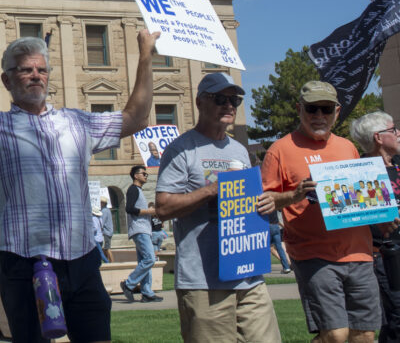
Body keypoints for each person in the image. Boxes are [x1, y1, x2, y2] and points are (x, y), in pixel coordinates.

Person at [0, 19, 160, 343]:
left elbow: (137, 117)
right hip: (24, 261)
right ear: (6, 79)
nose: (35, 75)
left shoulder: (77, 122)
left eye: (41, 70)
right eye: (25, 70)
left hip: (81, 259)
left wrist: (145, 55)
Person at [154, 72, 280, 342]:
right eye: (220, 98)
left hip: (249, 275)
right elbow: (163, 208)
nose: (229, 105)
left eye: (234, 99)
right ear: (200, 103)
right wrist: (212, 189)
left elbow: (245, 203)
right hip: (203, 281)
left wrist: (264, 203)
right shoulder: (181, 149)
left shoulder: (239, 151)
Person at [261, 81, 386, 343]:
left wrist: (382, 216)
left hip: (359, 252)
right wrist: (294, 195)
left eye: (326, 109)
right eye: (312, 109)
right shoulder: (280, 150)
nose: (319, 116)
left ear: (337, 112)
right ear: (299, 109)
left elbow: (361, 197)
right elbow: (263, 200)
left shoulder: (347, 147)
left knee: (364, 334)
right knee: (335, 335)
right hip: (314, 255)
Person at [351, 110, 400, 343]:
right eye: (393, 130)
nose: (398, 133)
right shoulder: (361, 172)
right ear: (379, 137)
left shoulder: (398, 163)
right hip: (386, 255)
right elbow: (363, 219)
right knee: (397, 315)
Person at [121, 165, 162, 303]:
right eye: (143, 173)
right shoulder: (133, 189)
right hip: (139, 230)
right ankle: (128, 284)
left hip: (143, 230)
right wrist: (149, 211)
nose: (145, 175)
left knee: (145, 261)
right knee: (150, 259)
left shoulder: (138, 190)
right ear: (135, 175)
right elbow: (129, 209)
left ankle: (147, 292)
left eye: (146, 174)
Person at [99, 198, 114, 263]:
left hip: (106, 232)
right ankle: (106, 261)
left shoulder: (104, 211)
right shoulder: (107, 210)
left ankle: (112, 262)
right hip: (109, 231)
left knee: (107, 248)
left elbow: (102, 222)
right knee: (105, 248)